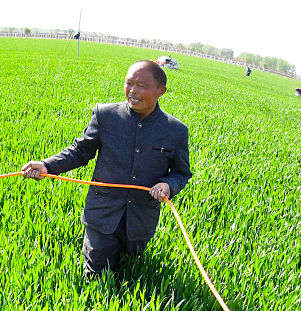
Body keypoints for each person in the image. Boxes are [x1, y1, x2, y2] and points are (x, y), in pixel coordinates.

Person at [21, 60, 191, 281]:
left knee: (133, 272)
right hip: (102, 215)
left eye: (141, 85)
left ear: (161, 91)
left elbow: (181, 173)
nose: (133, 90)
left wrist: (168, 184)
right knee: (97, 276)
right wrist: (47, 165)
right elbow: (80, 151)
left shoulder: (175, 131)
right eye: (129, 83)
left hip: (140, 221)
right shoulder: (106, 116)